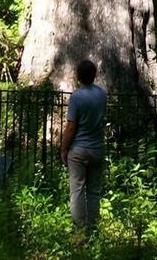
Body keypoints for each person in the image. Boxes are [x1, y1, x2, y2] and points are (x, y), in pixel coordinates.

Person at [61, 59, 107, 228]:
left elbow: (71, 126)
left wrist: (64, 149)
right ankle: (93, 225)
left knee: (77, 189)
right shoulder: (102, 94)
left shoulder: (76, 97)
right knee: (94, 190)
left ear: (78, 76)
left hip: (78, 150)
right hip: (97, 148)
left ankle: (80, 226)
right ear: (94, 75)